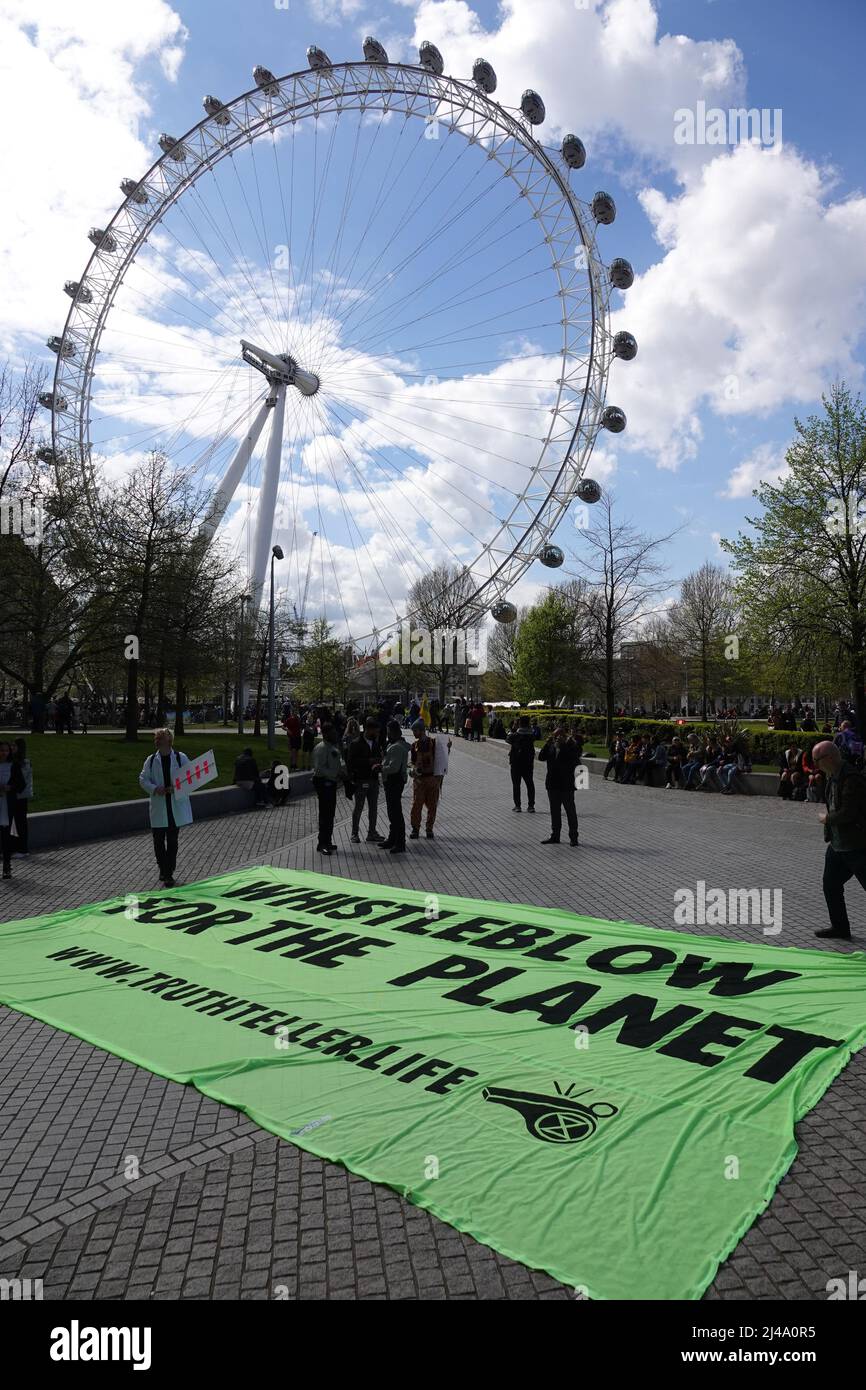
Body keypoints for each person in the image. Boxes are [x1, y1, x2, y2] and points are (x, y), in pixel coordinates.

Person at [813, 740, 866, 939]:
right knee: (831, 885)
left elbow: (848, 813)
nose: (816, 765)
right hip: (838, 845)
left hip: (857, 845)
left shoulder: (851, 778)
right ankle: (840, 928)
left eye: (817, 760)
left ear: (829, 758)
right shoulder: (832, 776)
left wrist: (827, 819)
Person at [139, 728, 193, 887]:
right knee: (158, 841)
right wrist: (155, 789)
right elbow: (143, 779)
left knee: (172, 840)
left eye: (160, 738)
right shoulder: (150, 760)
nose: (156, 741)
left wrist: (175, 788)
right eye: (156, 738)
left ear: (168, 741)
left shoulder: (180, 757)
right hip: (159, 805)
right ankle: (162, 868)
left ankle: (169, 872)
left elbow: (189, 776)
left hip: (174, 806)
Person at [538, 726, 580, 846]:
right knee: (554, 811)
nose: (557, 738)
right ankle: (555, 835)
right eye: (555, 736)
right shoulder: (551, 746)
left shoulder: (572, 746)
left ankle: (573, 837)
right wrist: (547, 744)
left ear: (565, 736)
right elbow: (541, 757)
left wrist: (564, 746)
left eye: (559, 736)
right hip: (552, 784)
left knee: (570, 811)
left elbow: (574, 760)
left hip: (566, 785)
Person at [347, 718, 384, 842]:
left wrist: (379, 762)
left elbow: (379, 757)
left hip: (374, 779)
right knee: (359, 807)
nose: (377, 734)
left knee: (373, 808)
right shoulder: (356, 743)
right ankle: (354, 833)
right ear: (369, 730)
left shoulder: (376, 743)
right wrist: (368, 762)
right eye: (375, 731)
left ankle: (372, 833)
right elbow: (351, 762)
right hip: (361, 780)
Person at [312, 723, 345, 855]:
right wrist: (334, 774)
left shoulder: (332, 747)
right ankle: (322, 843)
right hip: (324, 783)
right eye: (332, 732)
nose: (335, 734)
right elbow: (319, 768)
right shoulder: (321, 748)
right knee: (325, 814)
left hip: (331, 784)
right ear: (326, 734)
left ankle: (328, 840)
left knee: (330, 813)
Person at [380, 720, 409, 853]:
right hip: (392, 781)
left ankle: (400, 842)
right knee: (392, 812)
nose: (387, 735)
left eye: (389, 732)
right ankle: (393, 839)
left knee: (396, 812)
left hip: (394, 781)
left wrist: (380, 768)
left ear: (395, 732)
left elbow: (393, 768)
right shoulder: (395, 745)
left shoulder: (397, 747)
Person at [409, 718, 440, 838]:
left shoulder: (434, 744)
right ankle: (415, 829)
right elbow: (411, 762)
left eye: (415, 730)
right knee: (416, 805)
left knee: (432, 805)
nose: (413, 733)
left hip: (432, 779)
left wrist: (447, 747)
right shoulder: (414, 746)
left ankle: (429, 828)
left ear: (421, 731)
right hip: (419, 780)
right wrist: (413, 769)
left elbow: (442, 758)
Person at [0, 741, 25, 879]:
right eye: (1, 750)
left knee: (6, 836)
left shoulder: (14, 766)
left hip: (7, 804)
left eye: (6, 750)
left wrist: (10, 788)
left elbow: (21, 784)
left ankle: (6, 866)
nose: (4, 753)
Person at [507, 715, 536, 812]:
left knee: (516, 785)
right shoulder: (531, 735)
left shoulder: (515, 735)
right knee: (530, 784)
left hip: (516, 763)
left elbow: (507, 739)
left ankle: (517, 806)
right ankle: (531, 806)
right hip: (528, 763)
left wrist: (514, 729)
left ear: (519, 724)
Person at [12, 738, 33, 855]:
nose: (12, 748)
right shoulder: (20, 762)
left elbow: (21, 782)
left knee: (20, 823)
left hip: (19, 797)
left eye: (14, 746)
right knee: (17, 823)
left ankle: (22, 849)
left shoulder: (23, 763)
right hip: (19, 796)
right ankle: (19, 848)